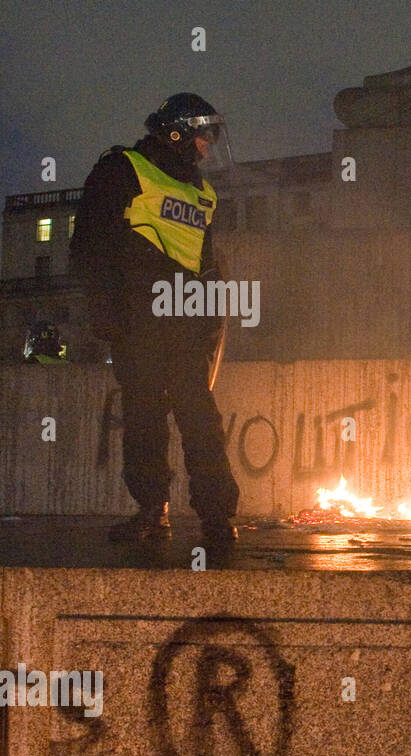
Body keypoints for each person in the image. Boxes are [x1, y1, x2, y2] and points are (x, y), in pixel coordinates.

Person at [69, 92, 239, 549]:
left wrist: (211, 320)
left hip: (184, 321)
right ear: (177, 132)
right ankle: (151, 511)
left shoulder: (202, 191)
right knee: (144, 417)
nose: (207, 148)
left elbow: (206, 263)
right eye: (203, 138)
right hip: (136, 319)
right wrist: (105, 313)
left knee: (200, 418)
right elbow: (89, 244)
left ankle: (218, 518)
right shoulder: (121, 169)